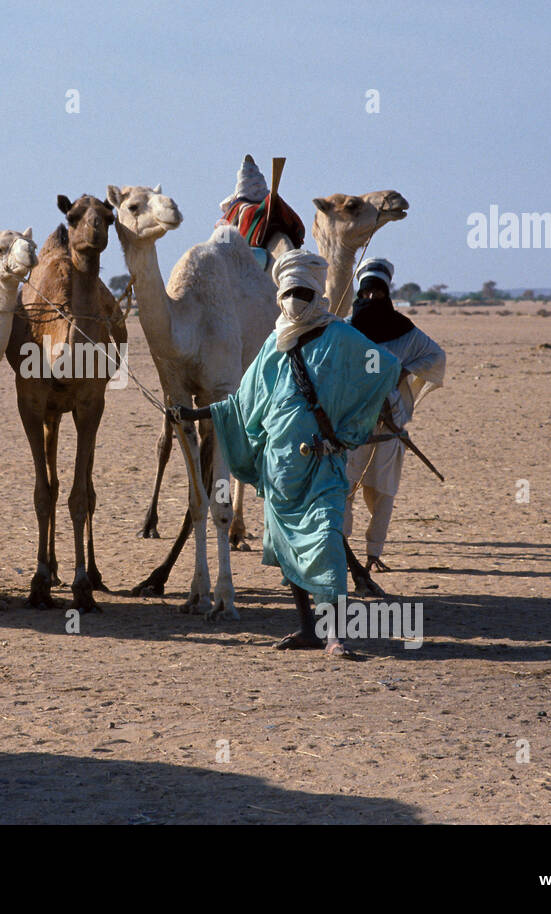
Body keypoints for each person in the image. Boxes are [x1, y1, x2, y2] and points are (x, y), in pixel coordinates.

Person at [171, 250, 400, 656]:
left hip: (322, 463)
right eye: (289, 291)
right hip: (279, 469)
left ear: (316, 294)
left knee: (326, 542)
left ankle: (335, 636)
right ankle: (307, 629)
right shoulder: (274, 345)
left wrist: (349, 424)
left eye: (301, 291)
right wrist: (191, 412)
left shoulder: (341, 337)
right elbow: (239, 404)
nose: (295, 299)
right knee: (288, 551)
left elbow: (383, 368)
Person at [343, 259, 446, 580]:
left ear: (387, 293)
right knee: (342, 489)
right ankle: (341, 552)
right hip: (350, 428)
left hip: (387, 430)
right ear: (360, 292)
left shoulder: (406, 333)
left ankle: (374, 554)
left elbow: (436, 357)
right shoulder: (344, 330)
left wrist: (404, 369)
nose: (372, 298)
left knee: (381, 493)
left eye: (379, 291)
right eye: (367, 291)